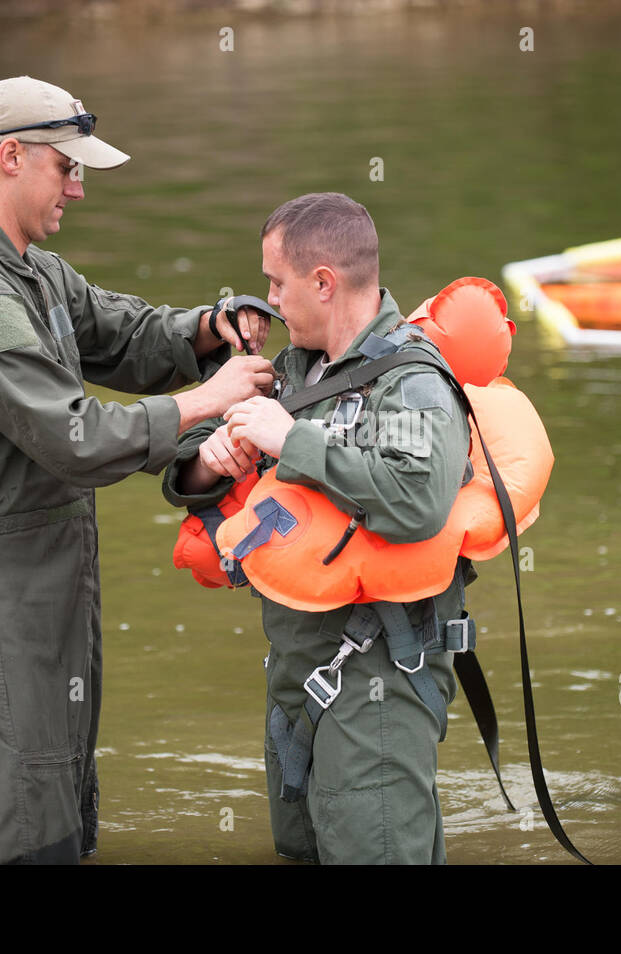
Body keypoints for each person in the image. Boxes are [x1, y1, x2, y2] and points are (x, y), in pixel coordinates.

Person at [0, 76, 275, 864]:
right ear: (10, 157)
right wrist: (206, 403)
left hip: (49, 587)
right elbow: (71, 434)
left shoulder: (31, 269)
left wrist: (212, 328)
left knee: (63, 822)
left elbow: (123, 334)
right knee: (25, 836)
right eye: (65, 167)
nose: (78, 187)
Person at [164, 192, 472, 864]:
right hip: (295, 677)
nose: (269, 301)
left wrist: (291, 440)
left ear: (324, 283)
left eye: (277, 283)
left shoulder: (411, 382)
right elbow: (188, 477)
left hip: (378, 685)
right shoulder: (299, 370)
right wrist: (208, 464)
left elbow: (417, 501)